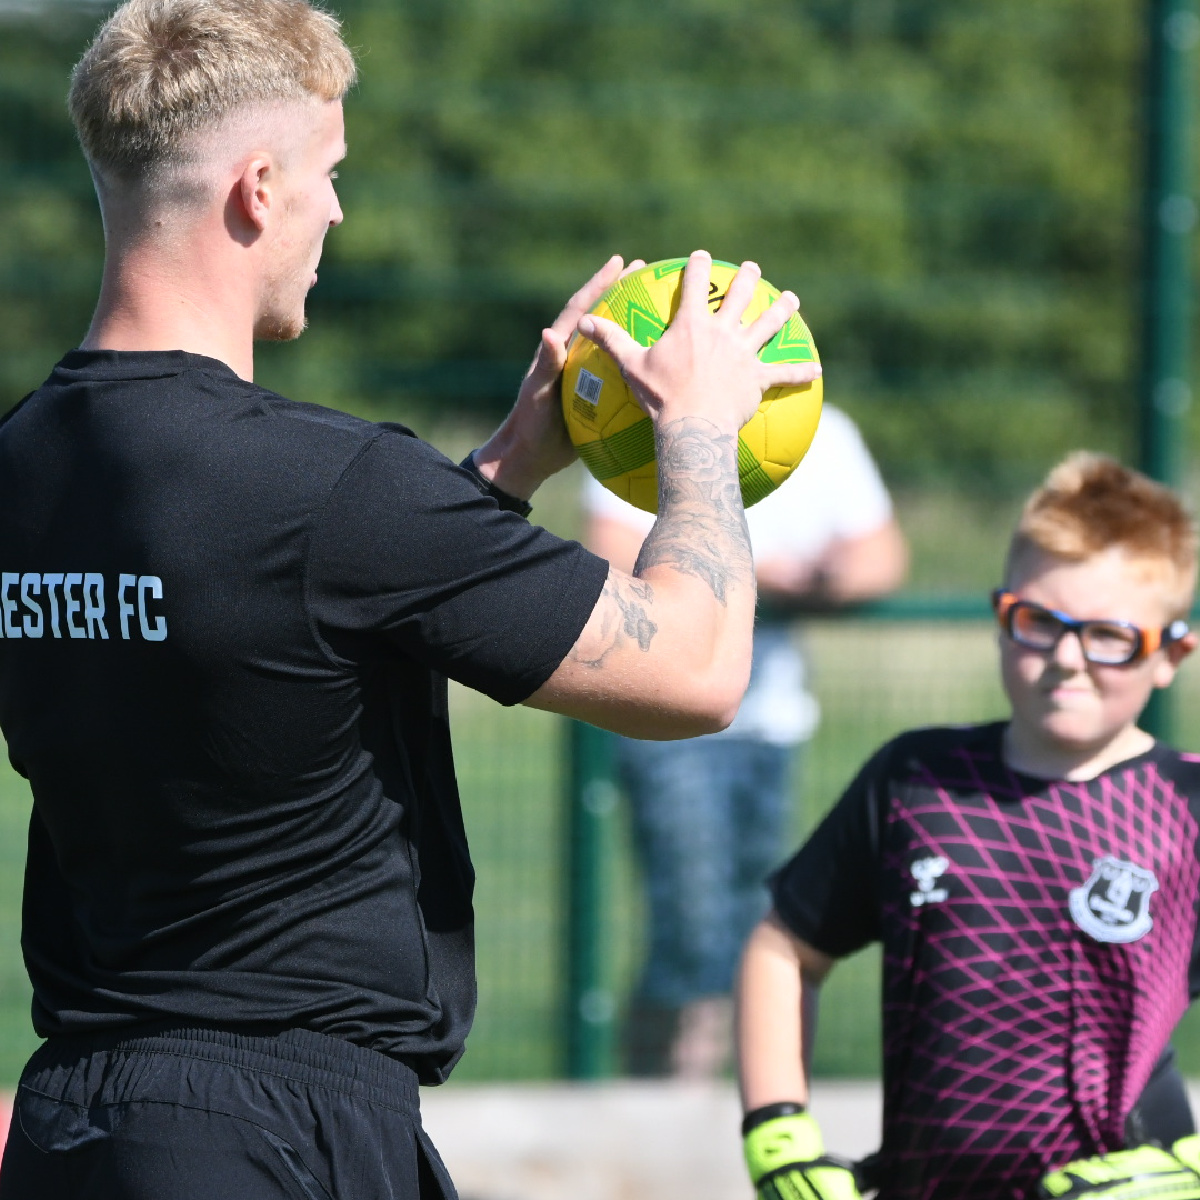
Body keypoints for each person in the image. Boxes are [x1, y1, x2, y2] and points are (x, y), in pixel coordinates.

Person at [0, 2, 823, 1198]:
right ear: (258, 189)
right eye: (330, 174)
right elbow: (695, 672)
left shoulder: (27, 462)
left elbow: (272, 619)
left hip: (78, 1123)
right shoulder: (333, 488)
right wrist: (699, 432)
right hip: (274, 1132)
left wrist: (502, 474)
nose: (337, 211)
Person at [735, 453, 1200, 1200]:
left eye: (1109, 636)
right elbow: (784, 947)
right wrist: (777, 1135)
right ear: (1000, 617)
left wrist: (1191, 1170)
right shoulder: (915, 781)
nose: (1067, 658)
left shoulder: (1188, 807)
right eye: (1039, 622)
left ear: (1171, 653)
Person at [585, 405, 907, 1077]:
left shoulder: (823, 429)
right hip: (668, 716)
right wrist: (750, 575)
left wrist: (818, 580)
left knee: (752, 931)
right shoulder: (634, 415)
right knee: (691, 930)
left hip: (771, 724)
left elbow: (881, 558)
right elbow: (607, 551)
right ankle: (656, 1100)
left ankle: (706, 1097)